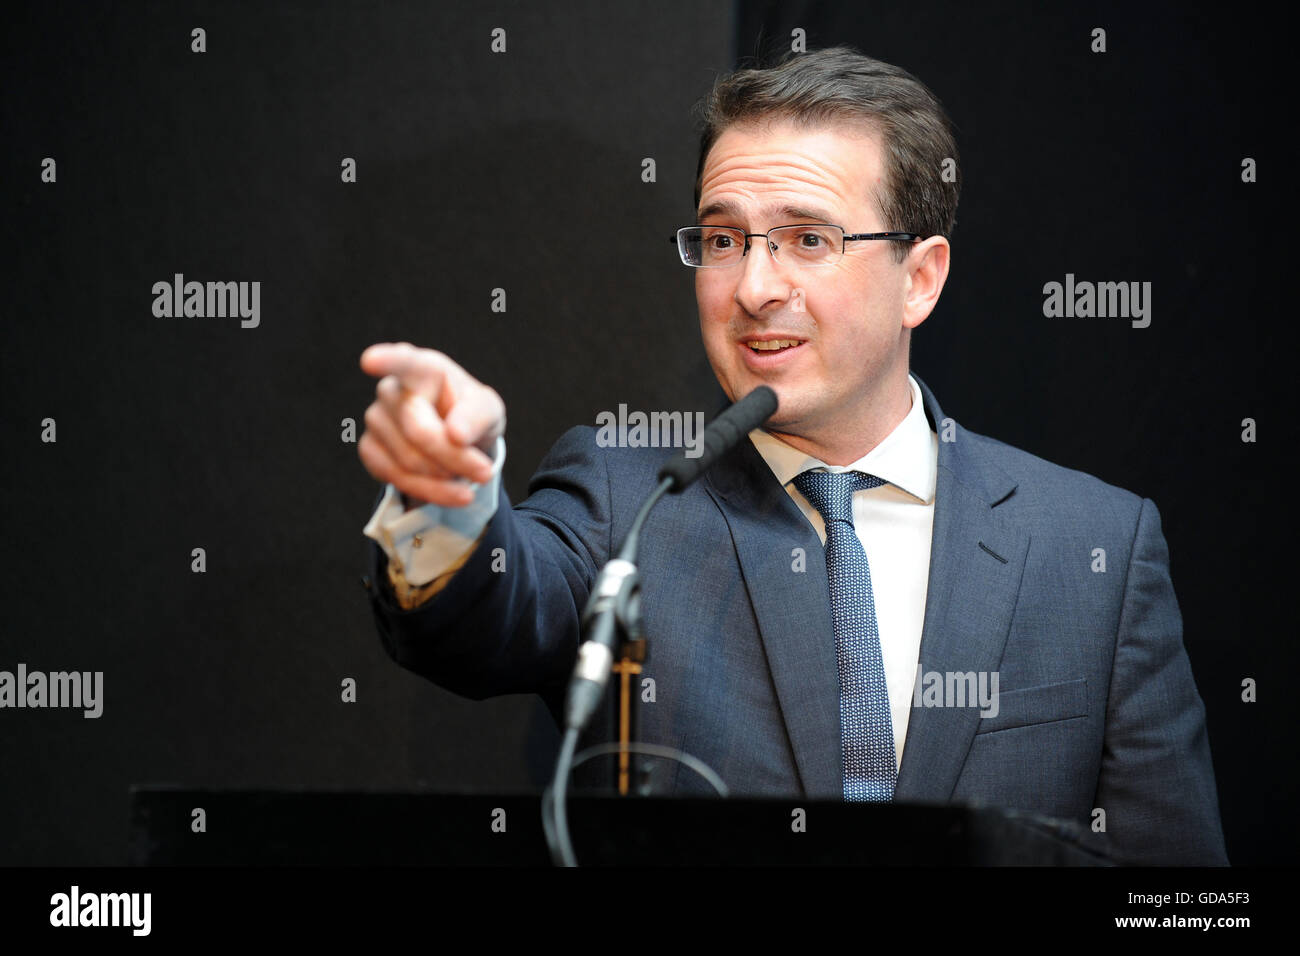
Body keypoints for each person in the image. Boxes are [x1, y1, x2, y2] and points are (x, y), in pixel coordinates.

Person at [356, 47, 1228, 865]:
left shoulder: (1094, 548)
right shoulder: (631, 495)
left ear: (920, 278)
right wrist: (452, 498)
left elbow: (1180, 900)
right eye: (724, 239)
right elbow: (481, 620)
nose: (754, 287)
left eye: (808, 238)